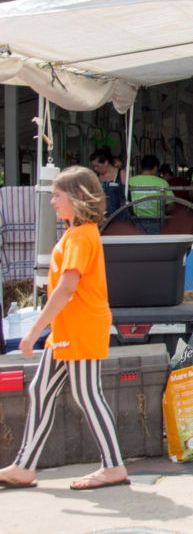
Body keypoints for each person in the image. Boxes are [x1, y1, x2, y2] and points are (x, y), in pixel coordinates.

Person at [0, 166, 129, 490]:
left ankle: (113, 466)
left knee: (87, 394)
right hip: (68, 329)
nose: (52, 201)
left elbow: (66, 289)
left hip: (80, 328)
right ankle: (24, 467)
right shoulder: (77, 234)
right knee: (41, 390)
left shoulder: (81, 236)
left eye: (57, 195)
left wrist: (33, 332)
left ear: (77, 197)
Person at [127, 154, 174, 234]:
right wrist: (161, 211)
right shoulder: (162, 182)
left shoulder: (130, 181)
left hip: (135, 222)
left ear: (140, 167)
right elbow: (171, 205)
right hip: (155, 222)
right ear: (155, 168)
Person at [89, 148, 126, 221]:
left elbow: (126, 196)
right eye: (94, 166)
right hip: (100, 218)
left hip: (119, 217)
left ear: (106, 162)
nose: (95, 169)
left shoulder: (121, 174)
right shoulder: (95, 177)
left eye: (97, 166)